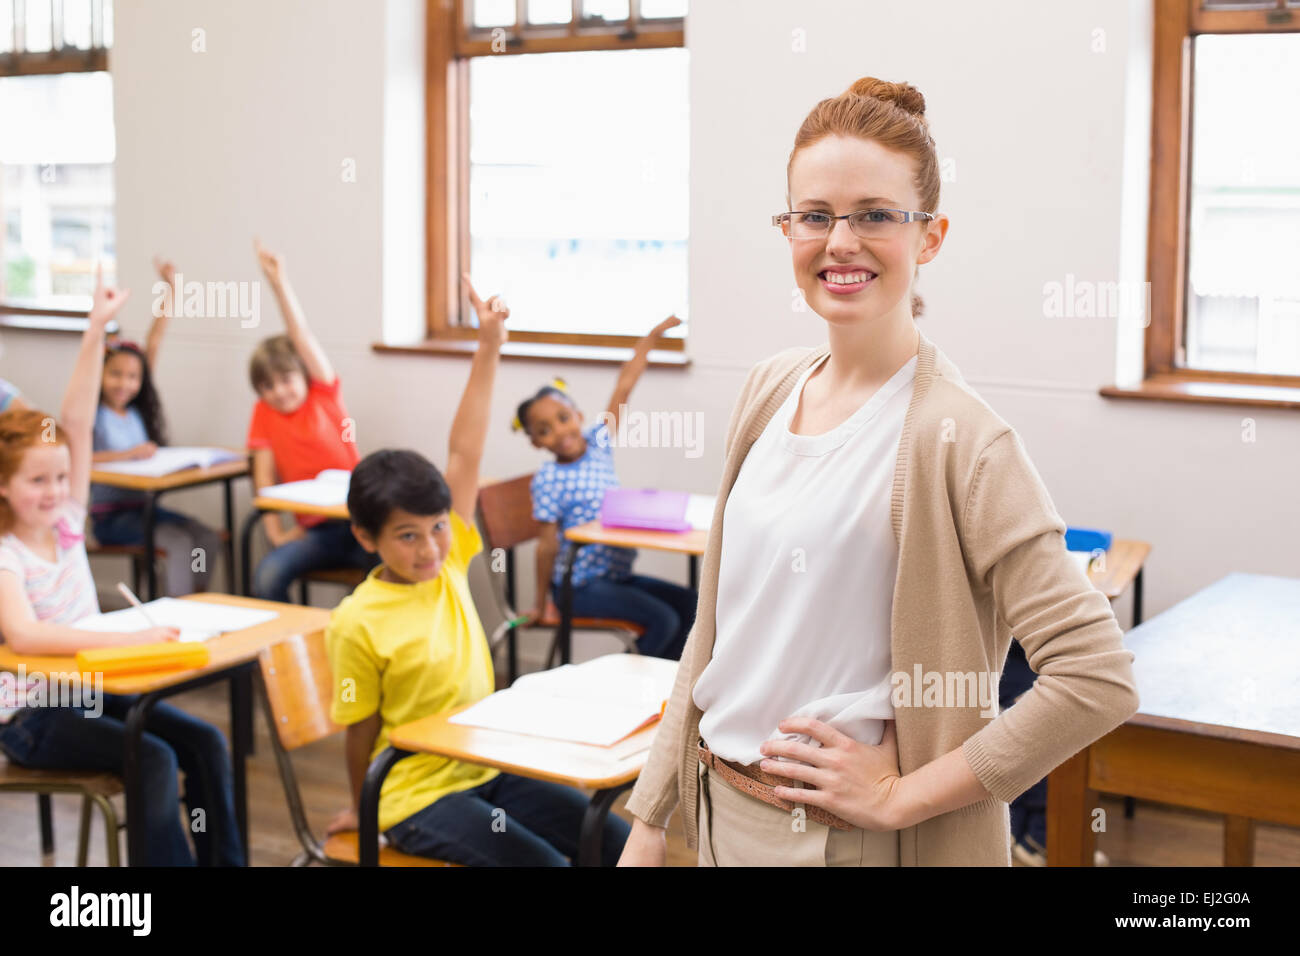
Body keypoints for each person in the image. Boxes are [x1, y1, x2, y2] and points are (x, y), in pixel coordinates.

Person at [616, 77, 1139, 867]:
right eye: (815, 216)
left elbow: (1097, 677)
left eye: (875, 216)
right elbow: (716, 634)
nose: (840, 242)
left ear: (929, 236)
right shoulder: (766, 388)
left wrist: (901, 796)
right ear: (787, 227)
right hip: (714, 816)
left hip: (846, 843)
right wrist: (650, 827)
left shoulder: (961, 438)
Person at [324, 278, 630, 865]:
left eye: (437, 526)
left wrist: (490, 344)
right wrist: (367, 810)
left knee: (617, 844)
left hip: (483, 765)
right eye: (406, 536)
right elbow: (359, 731)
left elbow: (464, 452)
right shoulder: (356, 622)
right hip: (415, 797)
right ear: (366, 537)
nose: (429, 549)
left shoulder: (451, 558)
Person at [0, 267, 244, 866]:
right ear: (3, 487)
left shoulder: (65, 522)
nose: (56, 490)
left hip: (90, 686)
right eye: (37, 481)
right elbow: (24, 635)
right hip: (30, 716)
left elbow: (77, 424)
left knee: (205, 741)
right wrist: (122, 640)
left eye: (61, 477)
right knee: (154, 756)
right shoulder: (5, 552)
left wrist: (95, 332)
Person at [517, 316, 697, 660]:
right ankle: (634, 690)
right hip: (581, 586)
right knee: (664, 621)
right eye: (544, 430)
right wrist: (541, 604)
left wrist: (653, 336)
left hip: (616, 575)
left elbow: (624, 386)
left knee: (691, 607)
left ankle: (666, 692)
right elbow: (546, 546)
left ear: (578, 416)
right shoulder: (549, 478)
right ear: (536, 443)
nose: (559, 431)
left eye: (563, 418)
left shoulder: (598, 444)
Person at [246, 240, 376, 601]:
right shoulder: (264, 413)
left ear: (304, 375)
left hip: (361, 523)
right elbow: (263, 477)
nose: (279, 392)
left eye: (286, 380)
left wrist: (279, 284)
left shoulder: (324, 394)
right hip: (317, 531)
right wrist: (275, 532)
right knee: (268, 575)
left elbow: (300, 335)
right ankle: (284, 655)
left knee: (387, 572)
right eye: (267, 386)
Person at [90, 255, 221, 595]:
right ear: (99, 374)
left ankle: (195, 599)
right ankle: (176, 612)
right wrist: (130, 455)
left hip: (146, 508)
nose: (125, 383)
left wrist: (170, 289)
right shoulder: (91, 413)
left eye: (133, 376)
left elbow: (154, 343)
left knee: (204, 539)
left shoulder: (135, 412)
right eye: (115, 374)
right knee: (178, 543)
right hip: (111, 519)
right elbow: (79, 462)